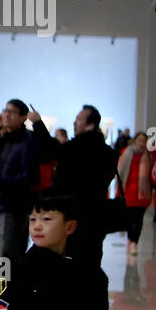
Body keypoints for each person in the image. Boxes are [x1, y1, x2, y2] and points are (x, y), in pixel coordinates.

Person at [0, 99, 50, 269]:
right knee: (3, 251)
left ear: (23, 117)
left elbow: (30, 177)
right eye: (5, 111)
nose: (6, 115)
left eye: (11, 112)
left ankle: (5, 290)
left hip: (15, 204)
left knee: (7, 254)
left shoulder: (27, 141)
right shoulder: (4, 139)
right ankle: (5, 288)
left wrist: (1, 182)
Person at [52, 104, 117, 264]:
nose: (75, 123)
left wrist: (38, 125)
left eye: (79, 119)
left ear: (90, 124)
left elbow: (54, 156)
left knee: (71, 260)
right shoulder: (107, 151)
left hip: (73, 214)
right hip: (97, 216)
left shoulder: (73, 149)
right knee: (92, 260)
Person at [116, 132, 153, 256]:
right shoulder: (126, 153)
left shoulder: (148, 156)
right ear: (135, 141)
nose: (142, 143)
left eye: (144, 141)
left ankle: (134, 242)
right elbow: (120, 172)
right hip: (128, 192)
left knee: (139, 220)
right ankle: (131, 240)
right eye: (140, 140)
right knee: (130, 219)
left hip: (142, 194)